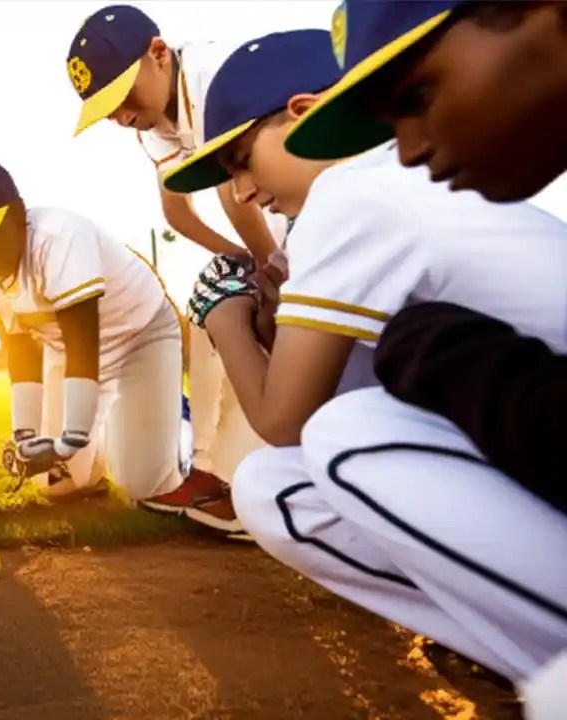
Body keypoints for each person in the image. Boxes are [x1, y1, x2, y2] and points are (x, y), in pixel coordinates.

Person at [163, 24, 567, 687]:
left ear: (300, 113)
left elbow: (284, 421)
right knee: (303, 462)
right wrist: (275, 321)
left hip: (546, 429)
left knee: (321, 455)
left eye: (241, 160)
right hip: (537, 428)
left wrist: (225, 322)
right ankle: (521, 651)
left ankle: (541, 656)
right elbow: (352, 385)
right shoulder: (384, 181)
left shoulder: (347, 195)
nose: (241, 193)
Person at [278, 0, 567, 705]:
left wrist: (445, 352)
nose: (406, 148)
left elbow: (283, 419)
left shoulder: (348, 195)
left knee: (343, 435)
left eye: (418, 96)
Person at [63, 3, 292, 519]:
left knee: (267, 329)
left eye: (123, 96)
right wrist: (246, 260)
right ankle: (214, 473)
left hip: (306, 199)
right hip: (268, 217)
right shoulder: (155, 125)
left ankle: (260, 479)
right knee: (215, 303)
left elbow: (238, 185)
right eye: (107, 108)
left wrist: (268, 264)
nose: (121, 117)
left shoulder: (215, 77)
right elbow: (177, 210)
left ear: (159, 53)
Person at [0, 156, 189, 517]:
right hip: (60, 347)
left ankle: (175, 427)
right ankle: (106, 445)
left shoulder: (60, 236)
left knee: (142, 486)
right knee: (55, 484)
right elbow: (18, 342)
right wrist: (24, 435)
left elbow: (83, 341)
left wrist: (69, 441)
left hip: (140, 336)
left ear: (18, 213)